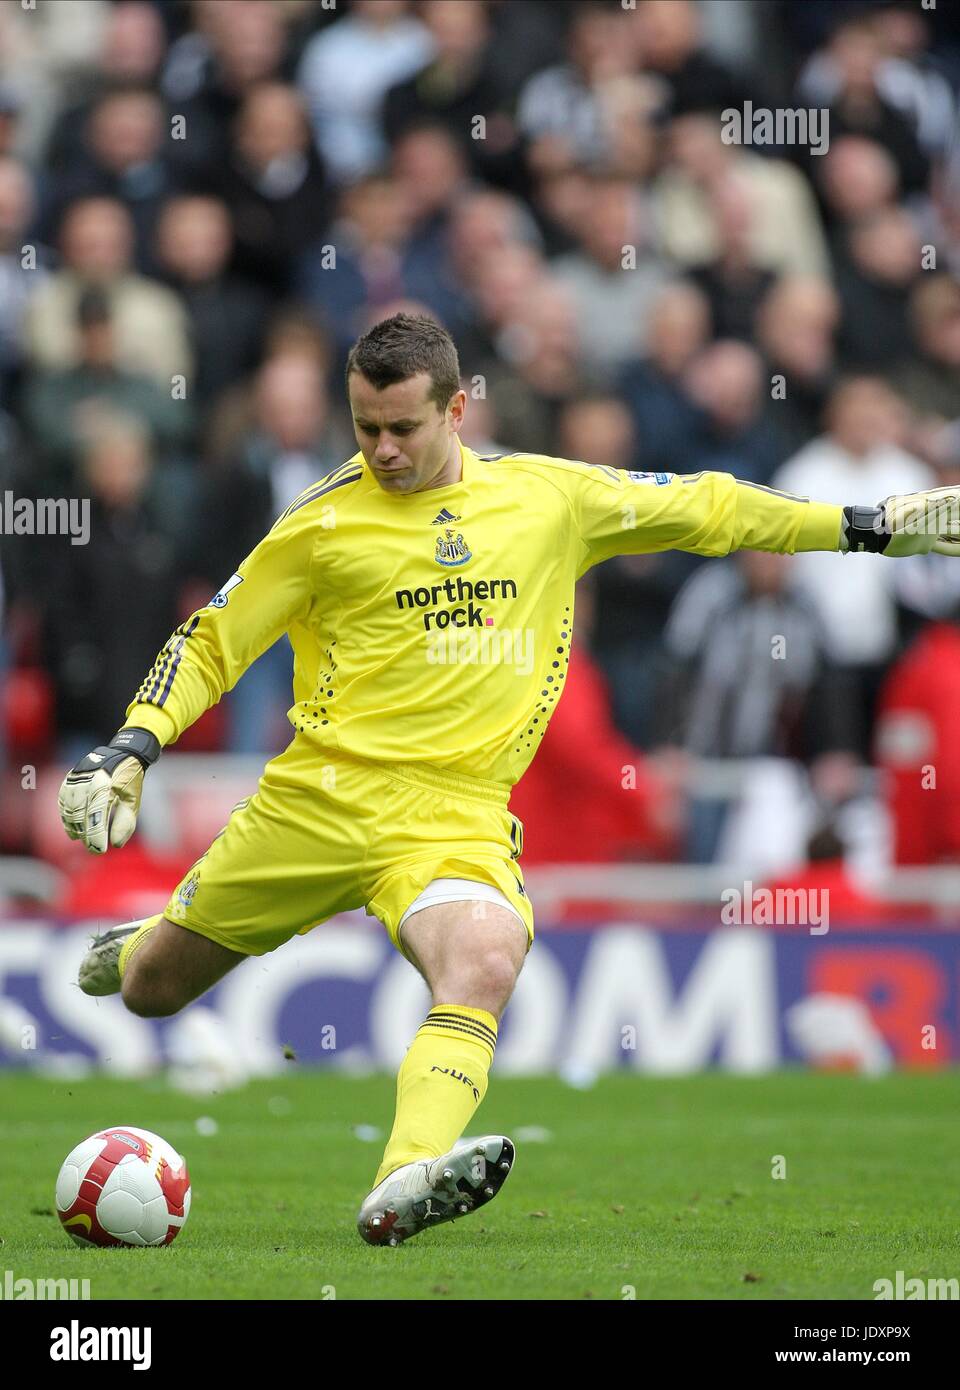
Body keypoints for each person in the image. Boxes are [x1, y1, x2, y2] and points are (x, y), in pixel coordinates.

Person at [57, 312, 960, 1247]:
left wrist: (870, 525)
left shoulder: (547, 498)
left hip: (454, 816)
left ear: (458, 409)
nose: (382, 449)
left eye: (403, 428)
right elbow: (216, 640)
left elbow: (711, 507)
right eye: (364, 427)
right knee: (155, 990)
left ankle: (404, 1174)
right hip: (316, 800)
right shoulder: (322, 524)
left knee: (485, 960)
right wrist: (134, 742)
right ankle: (142, 943)